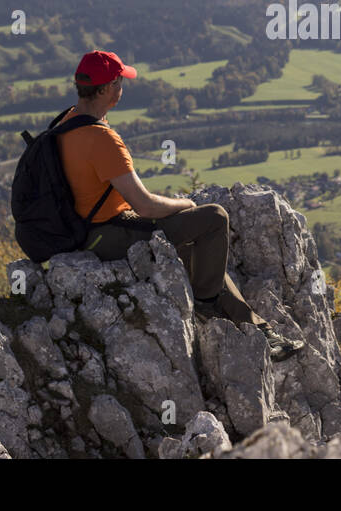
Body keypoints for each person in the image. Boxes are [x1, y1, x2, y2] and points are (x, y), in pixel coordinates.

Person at [57, 49, 304, 362]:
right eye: (119, 82)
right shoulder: (102, 140)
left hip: (89, 227)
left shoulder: (67, 122)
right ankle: (207, 304)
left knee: (195, 251)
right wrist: (185, 203)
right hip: (107, 234)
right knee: (214, 217)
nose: (123, 88)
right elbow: (145, 206)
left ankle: (256, 330)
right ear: (105, 89)